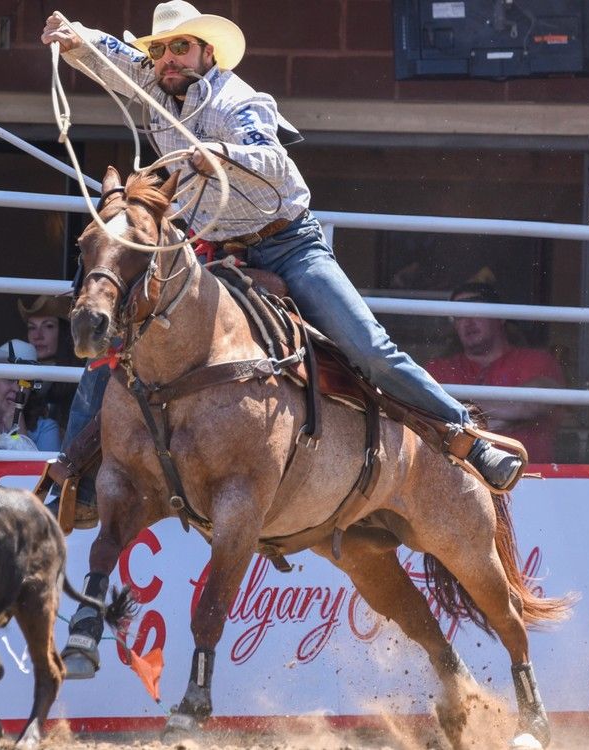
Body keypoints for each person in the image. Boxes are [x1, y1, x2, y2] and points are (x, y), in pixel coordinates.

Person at [40, 0, 526, 497]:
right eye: (160, 49)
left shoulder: (238, 101)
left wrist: (222, 155)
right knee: (125, 331)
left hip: (289, 246)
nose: (168, 58)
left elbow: (271, 158)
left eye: (180, 47)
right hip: (215, 249)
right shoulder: (158, 80)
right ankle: (76, 479)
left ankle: (466, 437)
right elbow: (114, 56)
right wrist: (73, 35)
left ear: (207, 52)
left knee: (370, 351)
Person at [426, 282, 566, 463]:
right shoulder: (438, 369)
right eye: (459, 315)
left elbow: (529, 405)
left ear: (500, 317)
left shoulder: (538, 361)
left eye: (476, 310)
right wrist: (508, 420)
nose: (468, 322)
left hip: (530, 477)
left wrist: (460, 417)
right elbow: (425, 417)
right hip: (457, 476)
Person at [0, 339, 62, 452]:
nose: (17, 388)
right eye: (10, 378)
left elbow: (42, 470)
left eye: (25, 382)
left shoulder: (46, 429)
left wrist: (19, 433)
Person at [17, 294, 79, 430]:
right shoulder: (19, 376)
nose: (37, 335)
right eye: (32, 327)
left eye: (48, 326)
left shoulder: (79, 377)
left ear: (64, 332)